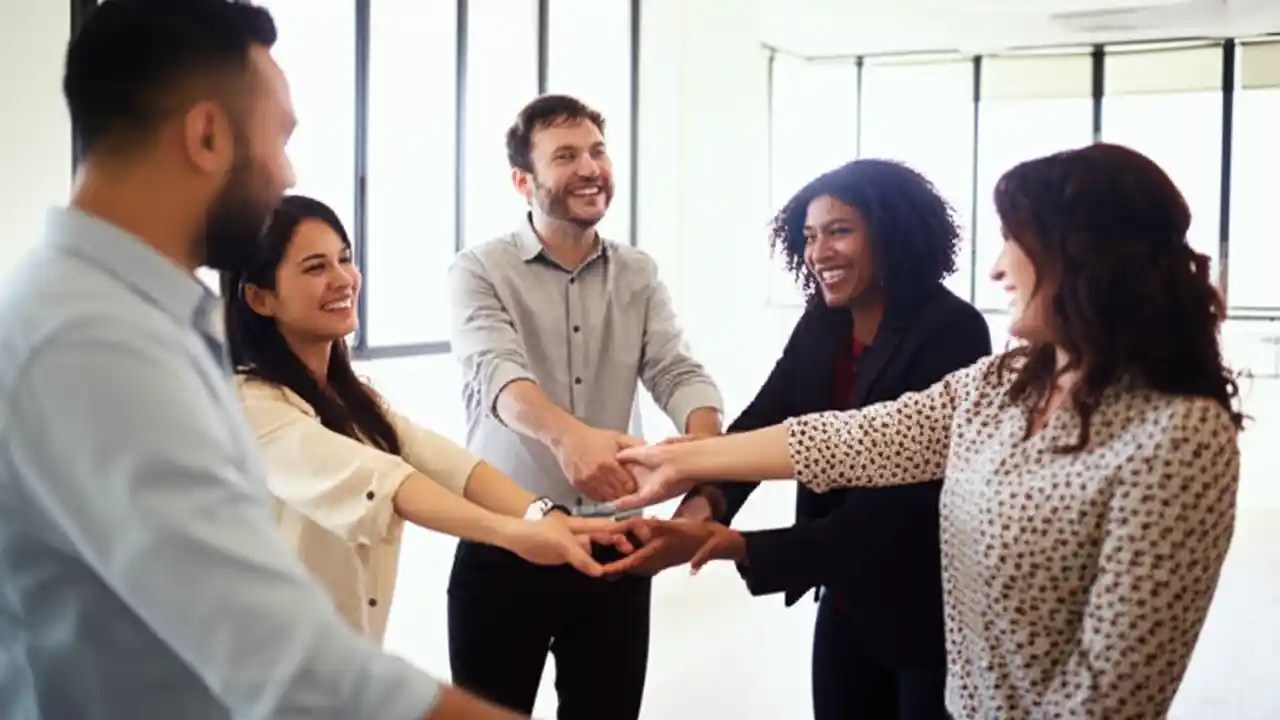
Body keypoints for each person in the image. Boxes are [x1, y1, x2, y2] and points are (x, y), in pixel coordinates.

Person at [0, 1, 524, 717]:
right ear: (208, 135)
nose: (286, 171)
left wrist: (536, 520)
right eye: (280, 137)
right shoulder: (92, 342)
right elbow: (280, 656)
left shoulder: (142, 321)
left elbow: (420, 454)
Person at [610, 143, 1242, 719]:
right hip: (930, 669)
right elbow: (846, 439)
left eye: (1015, 242)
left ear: (1087, 260)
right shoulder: (1005, 381)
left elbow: (1113, 693)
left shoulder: (1179, 434)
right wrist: (685, 468)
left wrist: (730, 537)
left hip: (923, 626)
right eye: (811, 236)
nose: (997, 269)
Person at [607, 159, 991, 719]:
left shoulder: (952, 329)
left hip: (924, 606)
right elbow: (766, 425)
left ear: (891, 232)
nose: (819, 253)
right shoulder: (824, 322)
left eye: (840, 231)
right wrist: (699, 511)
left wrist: (740, 546)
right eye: (809, 236)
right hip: (843, 591)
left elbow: (903, 503)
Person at [223, 194, 625, 643]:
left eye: (345, 259)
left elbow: (438, 459)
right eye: (315, 268)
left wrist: (541, 513)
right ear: (260, 298)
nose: (343, 279)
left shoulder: (347, 399)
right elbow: (385, 480)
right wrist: (513, 534)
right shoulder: (249, 407)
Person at [447, 93, 724, 718]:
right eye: (565, 155)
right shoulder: (478, 269)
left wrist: (705, 449)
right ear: (524, 180)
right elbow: (497, 375)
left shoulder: (638, 273)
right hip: (508, 538)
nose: (590, 167)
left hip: (614, 541)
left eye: (597, 151)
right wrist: (568, 438)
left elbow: (674, 368)